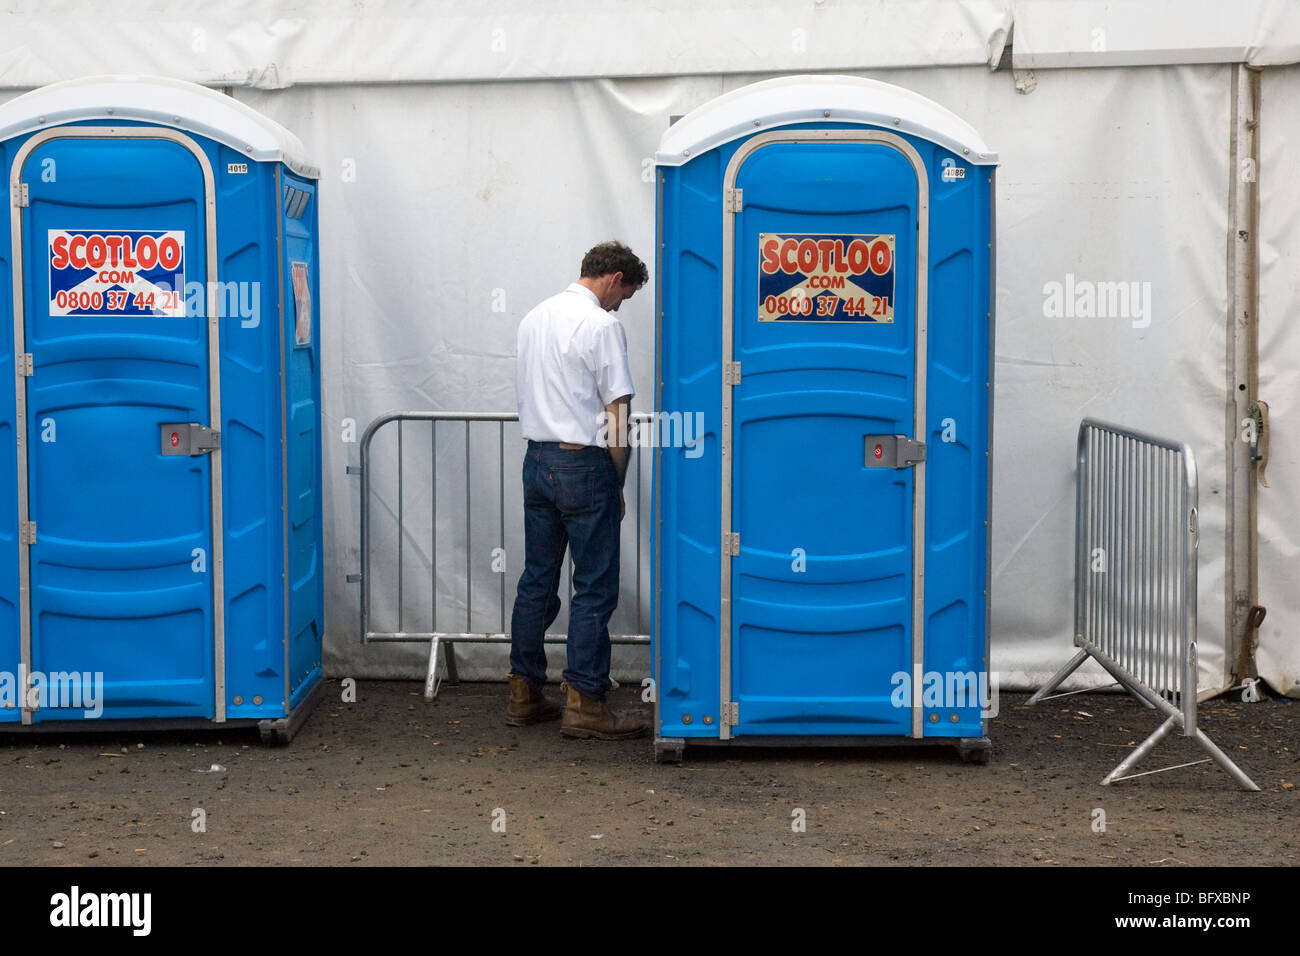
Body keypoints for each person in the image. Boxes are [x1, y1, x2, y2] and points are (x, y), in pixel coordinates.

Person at [507, 240, 649, 739]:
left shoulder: (534, 317)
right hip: (583, 463)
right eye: (625, 294)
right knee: (593, 587)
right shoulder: (602, 325)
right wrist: (618, 478)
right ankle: (585, 702)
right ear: (614, 278)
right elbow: (618, 413)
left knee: (537, 580)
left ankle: (524, 692)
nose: (620, 304)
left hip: (537, 458)